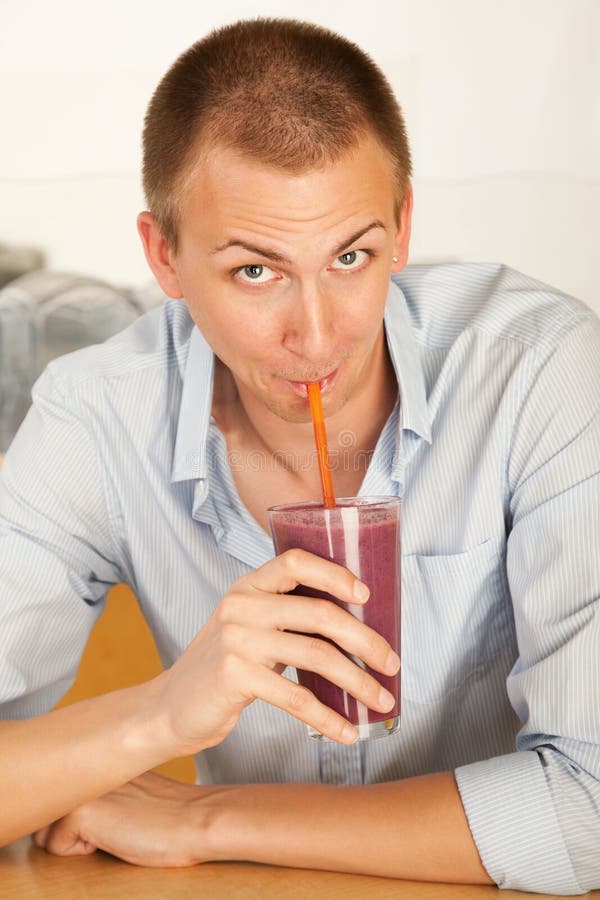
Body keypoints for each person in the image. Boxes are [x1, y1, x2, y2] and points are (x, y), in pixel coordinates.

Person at [1, 17, 599, 894]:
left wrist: (212, 817)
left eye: (351, 256)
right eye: (256, 271)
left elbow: (591, 810)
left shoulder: (540, 371)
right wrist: (164, 713)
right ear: (164, 257)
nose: (318, 335)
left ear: (401, 227)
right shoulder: (95, 414)